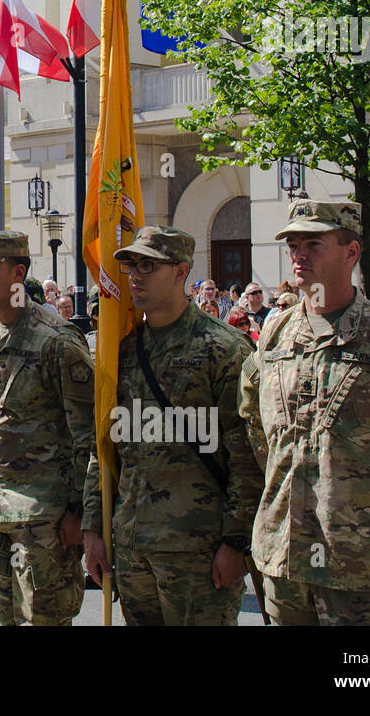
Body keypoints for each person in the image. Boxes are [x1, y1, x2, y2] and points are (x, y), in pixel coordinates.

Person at [239, 200, 370, 625]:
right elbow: (255, 423)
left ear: (351, 253)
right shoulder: (276, 334)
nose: (299, 255)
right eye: (293, 245)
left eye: (314, 244)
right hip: (284, 561)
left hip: (364, 568)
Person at [83, 226, 261, 625]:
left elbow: (247, 457)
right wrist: (93, 529)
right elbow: (105, 447)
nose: (136, 276)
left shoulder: (224, 348)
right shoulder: (122, 350)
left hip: (199, 551)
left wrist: (237, 541)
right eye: (130, 267)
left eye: (149, 265)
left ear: (181, 272)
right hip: (132, 549)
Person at [0, 231, 94, 626]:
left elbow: (87, 437)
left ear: (18, 273)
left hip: (45, 520)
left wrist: (78, 512)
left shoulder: (56, 341)